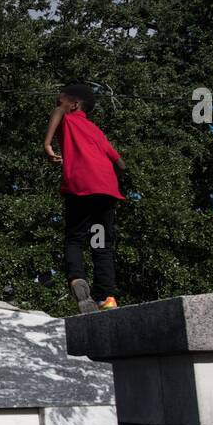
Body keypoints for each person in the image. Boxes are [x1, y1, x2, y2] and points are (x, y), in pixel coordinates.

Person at [42, 83, 126, 313]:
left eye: (60, 100)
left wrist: (48, 144)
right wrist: (115, 176)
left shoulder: (67, 117)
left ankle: (77, 279)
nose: (56, 105)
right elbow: (119, 161)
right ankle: (106, 297)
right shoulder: (96, 130)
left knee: (75, 239)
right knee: (100, 243)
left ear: (74, 105)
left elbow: (59, 112)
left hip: (81, 187)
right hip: (106, 191)